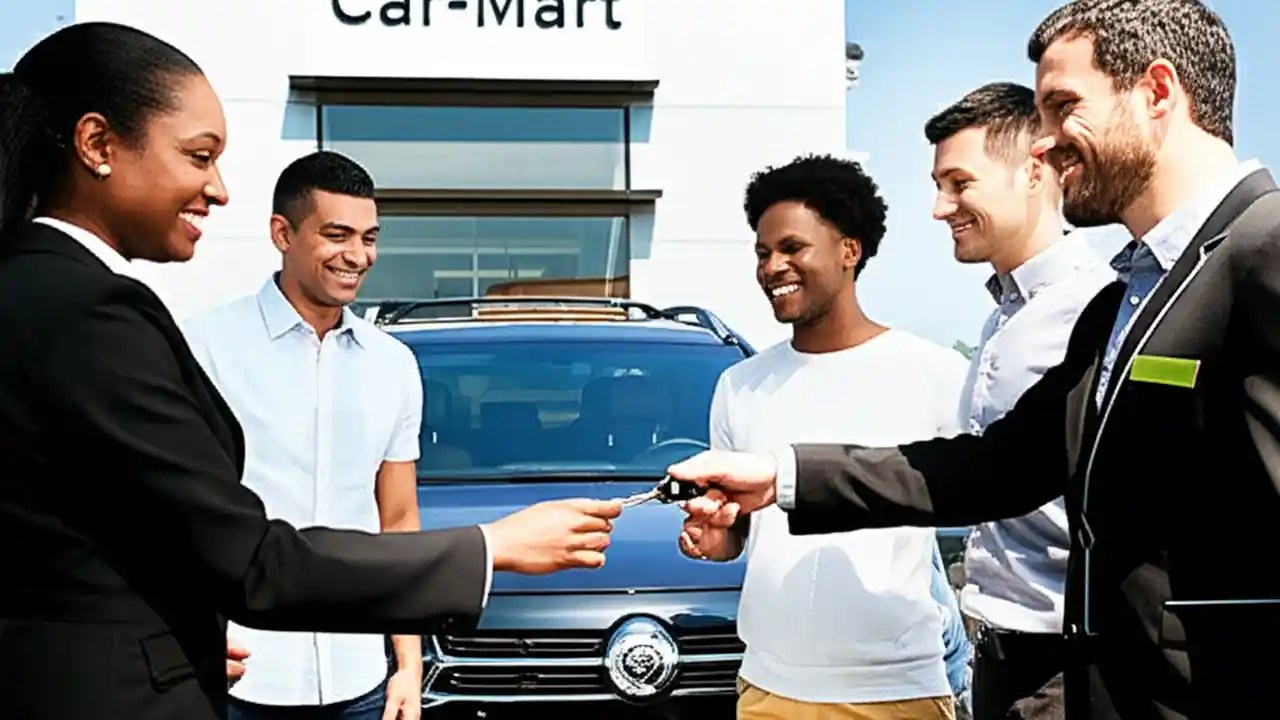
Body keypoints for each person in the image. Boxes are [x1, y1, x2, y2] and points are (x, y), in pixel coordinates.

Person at [668, 1, 1280, 718]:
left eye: (1062, 107)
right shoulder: (1124, 301)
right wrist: (781, 474)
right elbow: (1001, 467)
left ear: (1155, 92)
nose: (1044, 144)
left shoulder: (1264, 254)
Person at [0, 21, 621, 720]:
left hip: (328, 668)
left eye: (370, 237)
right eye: (198, 157)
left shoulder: (391, 363)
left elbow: (120, 529)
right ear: (97, 145)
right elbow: (247, 557)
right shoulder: (97, 316)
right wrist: (491, 547)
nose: (218, 189)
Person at [678, 154, 969, 720]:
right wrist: (713, 542)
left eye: (792, 248)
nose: (772, 267)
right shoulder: (740, 385)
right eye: (763, 253)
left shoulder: (934, 374)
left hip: (897, 690)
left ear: (849, 251)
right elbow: (736, 536)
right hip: (767, 688)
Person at [180, 152, 427, 719]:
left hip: (361, 677)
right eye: (336, 234)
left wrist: (408, 665)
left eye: (368, 237)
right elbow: (175, 517)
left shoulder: (394, 365)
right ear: (282, 233)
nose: (357, 255)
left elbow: (399, 521)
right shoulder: (205, 347)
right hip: (242, 674)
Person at [925, 81, 1115, 719]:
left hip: (1064, 667)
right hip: (997, 658)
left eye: (959, 183)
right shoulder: (1003, 316)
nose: (940, 206)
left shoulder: (1095, 311)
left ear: (1034, 170)